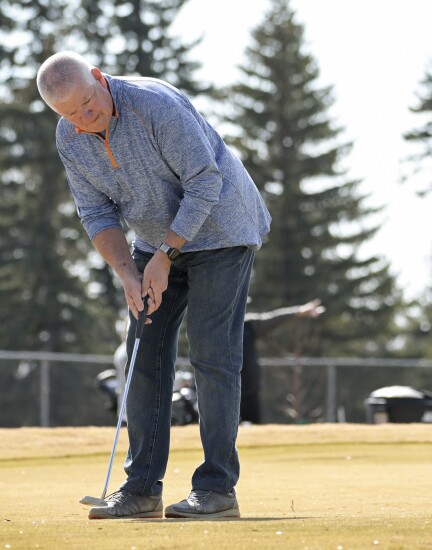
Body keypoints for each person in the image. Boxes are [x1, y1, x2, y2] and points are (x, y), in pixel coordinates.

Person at [36, 52, 271, 520]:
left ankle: (217, 489)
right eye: (71, 114)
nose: (86, 118)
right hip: (153, 238)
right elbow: (97, 212)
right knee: (143, 353)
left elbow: (206, 181)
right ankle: (141, 489)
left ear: (99, 79)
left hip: (223, 229)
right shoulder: (71, 136)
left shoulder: (153, 105)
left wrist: (165, 256)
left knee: (211, 355)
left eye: (89, 103)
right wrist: (128, 272)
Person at [241, 299, 325, 424]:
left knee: (252, 426)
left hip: (249, 388)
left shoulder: (249, 325)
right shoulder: (214, 328)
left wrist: (298, 311)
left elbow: (274, 318)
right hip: (221, 390)